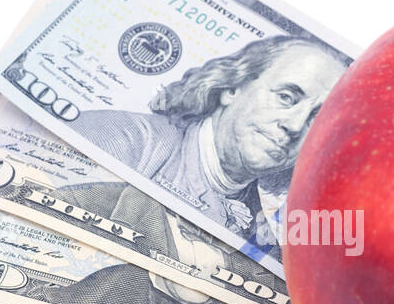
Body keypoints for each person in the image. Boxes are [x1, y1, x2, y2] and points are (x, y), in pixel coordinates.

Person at [59, 35, 348, 262]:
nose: (295, 126)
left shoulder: (265, 245)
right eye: (286, 97)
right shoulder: (119, 139)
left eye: (318, 120)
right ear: (233, 87)